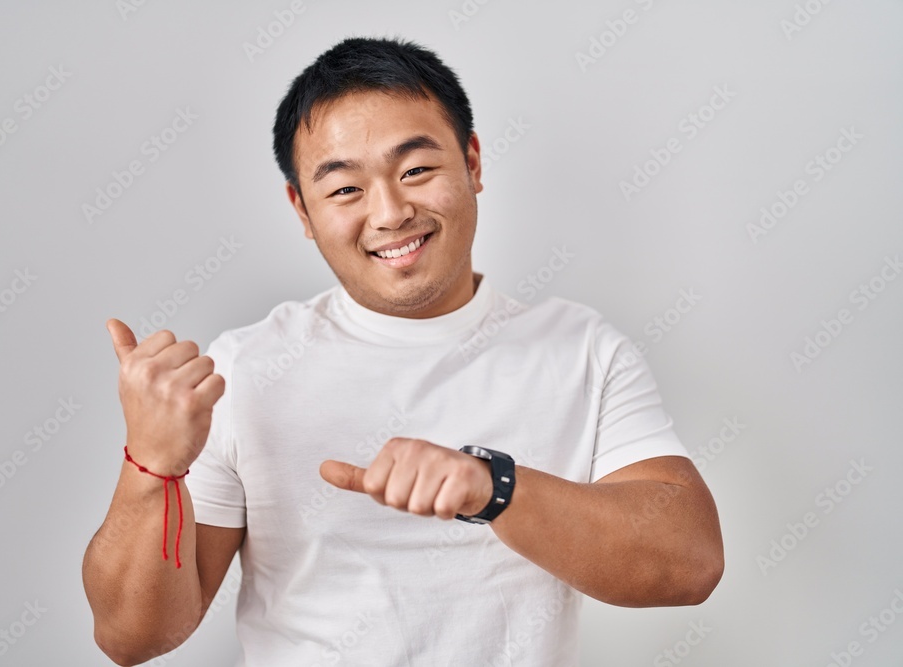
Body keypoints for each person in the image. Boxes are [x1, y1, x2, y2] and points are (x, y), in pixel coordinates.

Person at [82, 36, 724, 667]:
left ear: (472, 164)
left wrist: (493, 488)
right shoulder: (245, 369)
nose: (389, 213)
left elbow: (687, 564)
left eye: (416, 170)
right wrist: (151, 465)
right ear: (302, 210)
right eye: (344, 190)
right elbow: (132, 638)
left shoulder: (581, 350)